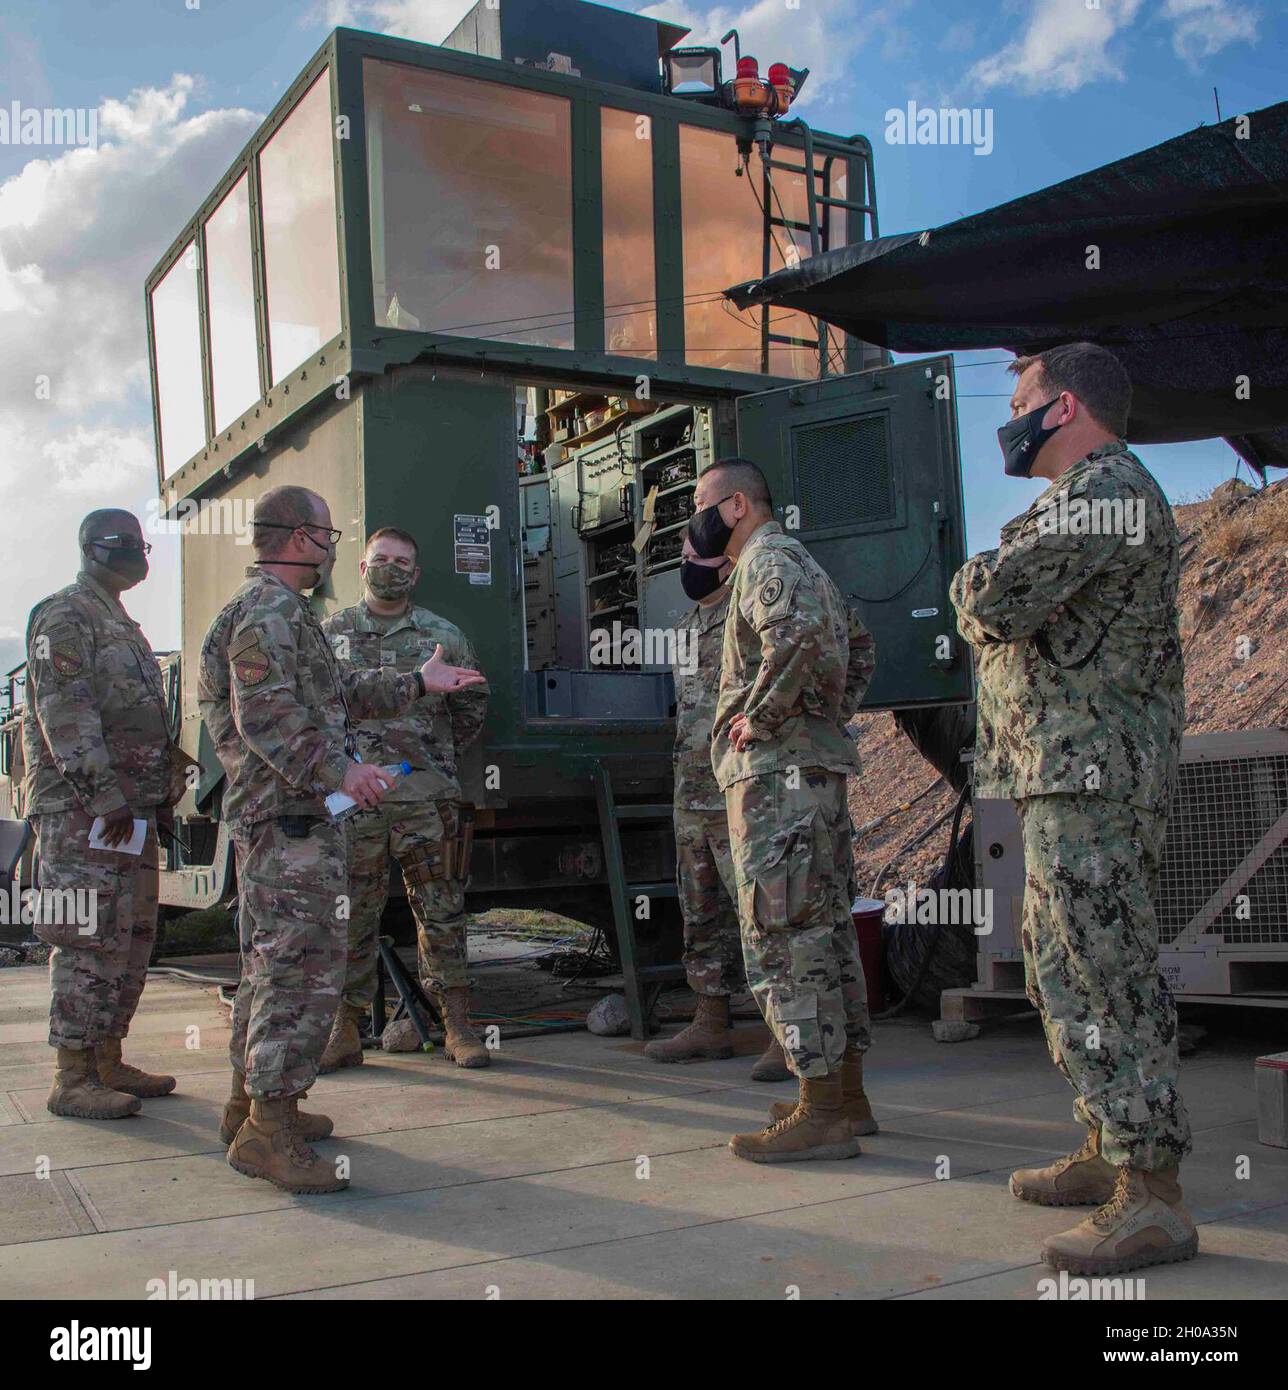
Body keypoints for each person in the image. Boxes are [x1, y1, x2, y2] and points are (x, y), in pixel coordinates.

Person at [950, 341, 1195, 1275]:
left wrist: (976, 574)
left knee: (1105, 973)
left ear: (1063, 408)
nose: (1008, 418)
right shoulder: (1074, 499)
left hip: (1098, 779)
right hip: (1062, 776)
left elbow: (995, 598)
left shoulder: (1111, 491)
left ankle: (1155, 1195)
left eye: (1021, 399)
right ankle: (1109, 1146)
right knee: (1062, 971)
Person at [198, 485, 485, 1194]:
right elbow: (267, 717)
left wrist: (416, 684)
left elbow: (338, 691)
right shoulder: (267, 611)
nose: (336, 546)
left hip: (296, 818)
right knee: (296, 972)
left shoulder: (289, 614)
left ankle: (256, 1106)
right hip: (289, 821)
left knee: (272, 968)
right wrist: (342, 769)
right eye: (330, 534)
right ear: (301, 538)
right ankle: (269, 1130)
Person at [696, 458, 877, 1162]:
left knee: (784, 936)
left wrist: (763, 718)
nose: (697, 518)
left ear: (737, 506)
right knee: (827, 933)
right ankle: (846, 1098)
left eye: (704, 504)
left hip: (775, 781)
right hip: (814, 772)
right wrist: (824, 719)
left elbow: (795, 636)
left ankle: (821, 1111)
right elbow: (860, 646)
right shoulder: (806, 563)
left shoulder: (767, 559)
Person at [26, 509, 186, 1120]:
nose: (137, 557)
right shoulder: (65, 613)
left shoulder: (119, 621)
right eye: (127, 547)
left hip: (129, 811)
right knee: (86, 937)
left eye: (140, 547)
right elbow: (64, 713)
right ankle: (71, 1076)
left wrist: (155, 795)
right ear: (95, 549)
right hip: (84, 812)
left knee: (130, 937)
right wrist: (106, 796)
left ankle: (107, 1059)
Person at [320, 527, 490, 1071]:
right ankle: (343, 1029)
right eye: (381, 559)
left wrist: (435, 757)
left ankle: (457, 1026)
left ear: (415, 575)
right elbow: (316, 708)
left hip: (426, 799)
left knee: (442, 911)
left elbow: (472, 706)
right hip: (355, 799)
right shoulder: (331, 635)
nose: (391, 568)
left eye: (402, 562)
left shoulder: (445, 636)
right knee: (350, 913)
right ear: (363, 568)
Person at [643, 537, 788, 1080]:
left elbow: (837, 652)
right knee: (700, 913)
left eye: (694, 555)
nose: (686, 565)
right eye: (680, 555)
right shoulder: (683, 629)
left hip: (744, 792)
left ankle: (785, 1031)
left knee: (762, 915)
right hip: (693, 795)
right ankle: (711, 1021)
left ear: (728, 560)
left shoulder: (752, 610)